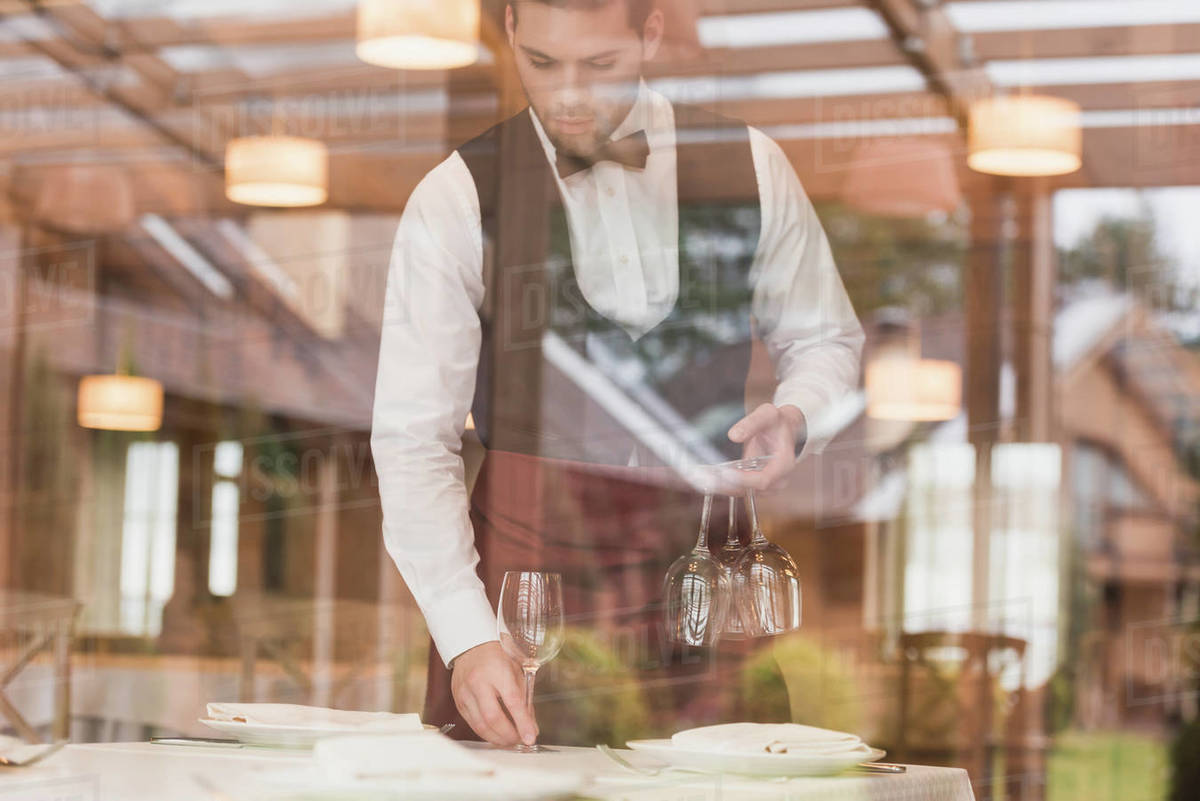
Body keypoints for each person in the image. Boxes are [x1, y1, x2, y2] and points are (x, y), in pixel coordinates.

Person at [371, 0, 863, 748]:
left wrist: (797, 412)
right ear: (508, 30)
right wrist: (465, 634)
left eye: (598, 65)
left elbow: (828, 339)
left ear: (652, 33)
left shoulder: (752, 167)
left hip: (704, 583)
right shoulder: (456, 196)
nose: (567, 93)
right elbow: (414, 440)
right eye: (541, 62)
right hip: (521, 606)